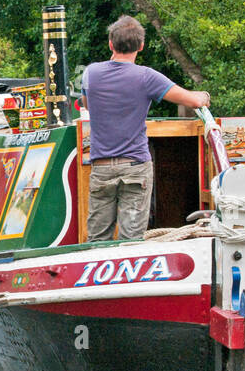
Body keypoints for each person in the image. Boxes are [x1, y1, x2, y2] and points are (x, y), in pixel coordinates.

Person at [83, 15, 211, 241]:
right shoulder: (146, 77)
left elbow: (87, 105)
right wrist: (203, 96)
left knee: (97, 240)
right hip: (135, 165)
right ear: (141, 46)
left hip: (101, 166)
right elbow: (192, 101)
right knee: (131, 241)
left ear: (111, 44)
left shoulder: (90, 73)